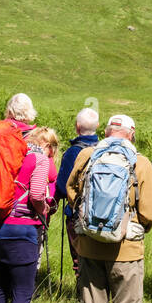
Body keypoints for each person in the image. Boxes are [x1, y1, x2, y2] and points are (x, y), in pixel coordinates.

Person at [66, 114, 152, 303]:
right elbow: (150, 211)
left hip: (89, 248)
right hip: (126, 252)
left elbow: (71, 190)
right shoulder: (140, 163)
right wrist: (132, 226)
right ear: (132, 134)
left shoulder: (86, 156)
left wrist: (88, 217)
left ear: (106, 133)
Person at [0, 120, 56, 303]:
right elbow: (36, 193)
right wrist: (44, 209)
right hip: (23, 229)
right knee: (23, 291)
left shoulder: (9, 156)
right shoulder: (39, 159)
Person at [55, 107, 100, 278]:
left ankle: (82, 296)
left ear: (77, 126)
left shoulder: (73, 152)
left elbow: (61, 187)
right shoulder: (103, 148)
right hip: (101, 212)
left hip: (76, 213)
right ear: (97, 126)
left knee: (79, 258)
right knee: (97, 258)